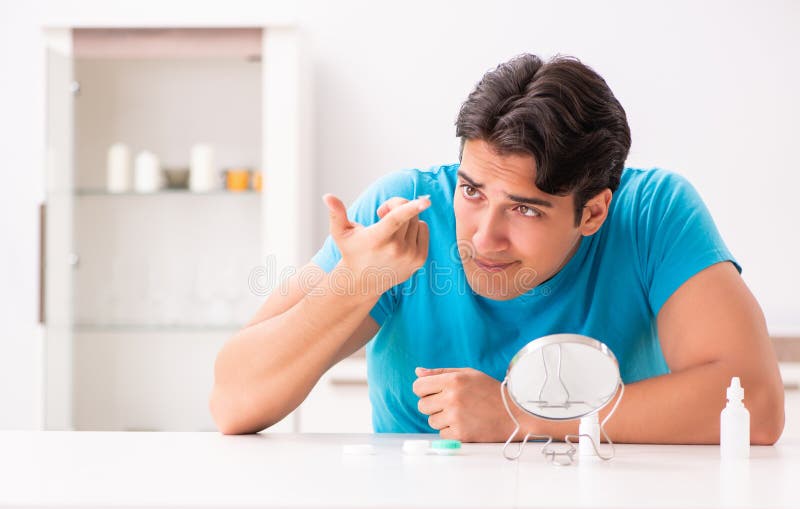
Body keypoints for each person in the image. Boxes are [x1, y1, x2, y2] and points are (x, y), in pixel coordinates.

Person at [210, 54, 785, 444]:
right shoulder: (404, 211)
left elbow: (755, 404)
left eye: (526, 208)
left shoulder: (653, 213)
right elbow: (232, 403)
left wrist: (522, 414)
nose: (484, 236)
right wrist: (352, 286)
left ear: (593, 211)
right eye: (472, 191)